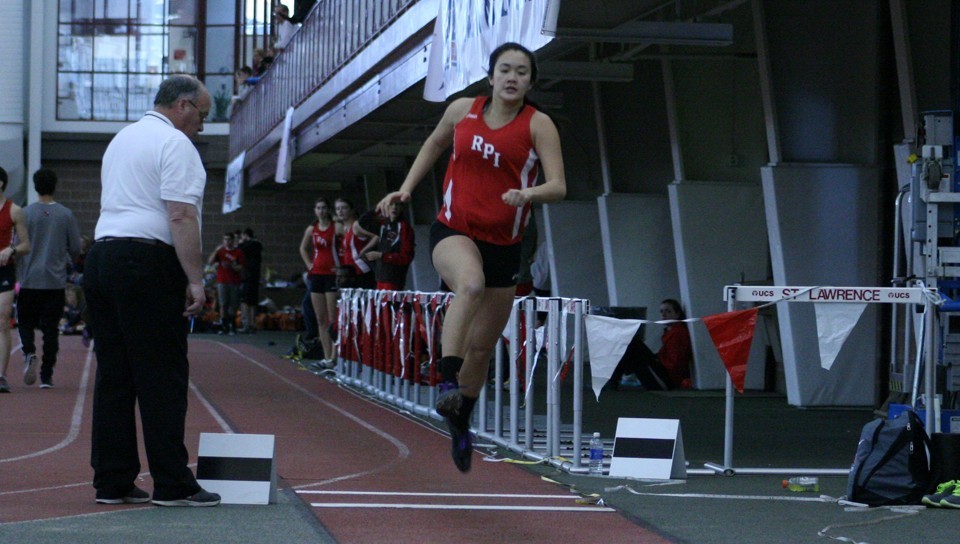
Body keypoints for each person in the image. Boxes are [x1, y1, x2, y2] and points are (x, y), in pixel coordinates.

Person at [376, 42, 566, 472]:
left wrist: (528, 193)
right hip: (454, 230)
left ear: (530, 81)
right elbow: (433, 144)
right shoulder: (463, 110)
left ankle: (461, 418)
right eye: (505, 69)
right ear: (491, 75)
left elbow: (559, 185)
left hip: (504, 243)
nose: (512, 78)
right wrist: (406, 188)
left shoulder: (539, 125)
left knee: (482, 349)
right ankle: (444, 378)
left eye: (521, 71)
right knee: (470, 284)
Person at [83, 74, 220, 506]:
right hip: (145, 262)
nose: (203, 125)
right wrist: (195, 279)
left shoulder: (121, 139)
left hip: (102, 259)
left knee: (115, 376)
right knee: (161, 374)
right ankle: (172, 483)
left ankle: (113, 480)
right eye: (203, 114)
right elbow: (180, 215)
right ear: (182, 105)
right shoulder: (176, 145)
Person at [16, 167, 82, 389]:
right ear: (55, 186)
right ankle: (46, 375)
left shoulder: (25, 213)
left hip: (29, 279)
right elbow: (75, 247)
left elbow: (17, 245)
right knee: (51, 328)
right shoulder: (65, 214)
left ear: (35, 187)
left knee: (25, 322)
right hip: (54, 281)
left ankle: (29, 351)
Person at [609, 299, 693, 391]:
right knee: (631, 346)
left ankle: (614, 380)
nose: (663, 315)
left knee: (632, 342)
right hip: (664, 375)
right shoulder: (671, 332)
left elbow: (674, 364)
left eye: (668, 311)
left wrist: (653, 359)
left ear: (677, 315)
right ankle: (616, 379)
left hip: (667, 380)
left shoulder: (678, 333)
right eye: (661, 311)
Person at [0, 167, 31, 394]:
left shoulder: (15, 210)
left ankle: (1, 376)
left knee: (2, 322)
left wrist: (10, 250)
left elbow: (26, 245)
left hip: (4, 272)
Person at [299, 197, 338, 364]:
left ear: (328, 210)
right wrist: (309, 265)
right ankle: (326, 355)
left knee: (332, 318)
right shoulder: (312, 228)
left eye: (324, 207)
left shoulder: (336, 227)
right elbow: (303, 248)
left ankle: (335, 356)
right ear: (315, 210)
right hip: (316, 275)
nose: (321, 211)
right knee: (320, 318)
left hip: (331, 275)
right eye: (318, 208)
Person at [364, 200, 415, 291]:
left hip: (393, 278)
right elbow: (362, 222)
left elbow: (406, 257)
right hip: (380, 276)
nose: (394, 207)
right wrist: (378, 207)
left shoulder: (404, 227)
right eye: (390, 204)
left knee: (389, 304)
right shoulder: (383, 225)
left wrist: (382, 256)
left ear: (402, 208)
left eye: (398, 204)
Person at [207, 231, 245, 335]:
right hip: (222, 281)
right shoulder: (221, 252)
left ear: (233, 241)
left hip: (234, 282)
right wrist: (216, 251)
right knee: (223, 304)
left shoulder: (238, 252)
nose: (227, 242)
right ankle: (224, 326)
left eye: (229, 240)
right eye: (225, 240)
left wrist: (232, 266)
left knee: (233, 305)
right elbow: (210, 262)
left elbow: (240, 267)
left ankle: (232, 325)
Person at [335, 198, 377, 289]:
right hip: (351, 274)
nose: (340, 211)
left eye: (344, 208)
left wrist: (364, 251)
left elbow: (376, 237)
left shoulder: (356, 225)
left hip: (362, 271)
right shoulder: (345, 229)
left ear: (352, 210)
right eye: (338, 209)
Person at [238, 228, 263, 333]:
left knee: (245, 301)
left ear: (245, 235)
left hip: (247, 276)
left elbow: (239, 250)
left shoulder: (246, 246)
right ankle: (253, 324)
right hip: (255, 276)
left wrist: (240, 243)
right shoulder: (258, 245)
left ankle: (247, 324)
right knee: (253, 302)